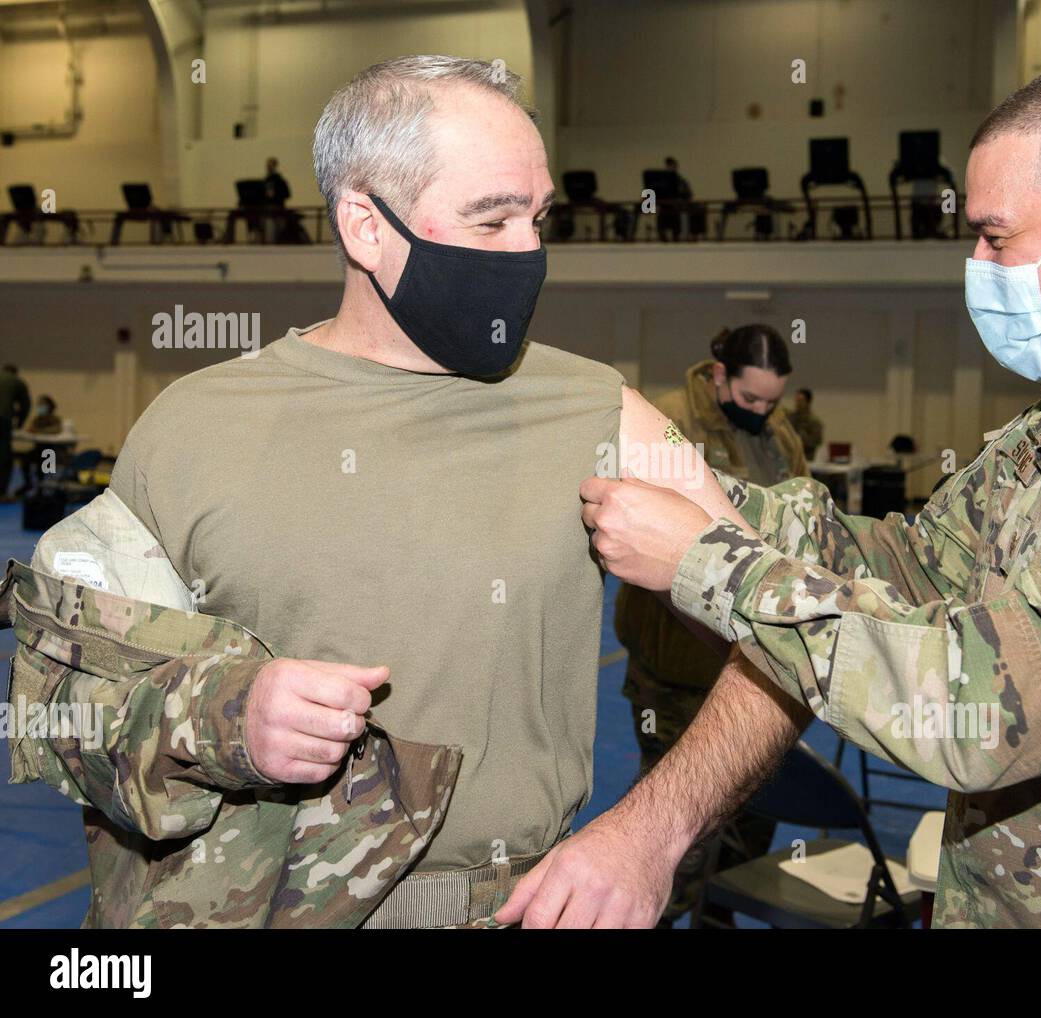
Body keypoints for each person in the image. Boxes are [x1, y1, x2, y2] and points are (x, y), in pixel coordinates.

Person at [11, 55, 806, 929]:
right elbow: (65, 713)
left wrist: (654, 832)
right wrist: (228, 715)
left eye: (538, 218)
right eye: (491, 221)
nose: (528, 254)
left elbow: (795, 636)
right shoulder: (192, 426)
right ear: (366, 225)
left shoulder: (595, 413)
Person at [581, 51, 1041, 928]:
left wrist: (709, 566)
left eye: (998, 236)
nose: (978, 264)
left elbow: (984, 708)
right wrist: (689, 478)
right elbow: (912, 563)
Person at [613, 324, 807, 924]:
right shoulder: (666, 425)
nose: (762, 412)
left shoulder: (778, 437)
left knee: (750, 833)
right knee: (675, 845)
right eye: (751, 400)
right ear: (719, 375)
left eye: (772, 402)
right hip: (677, 669)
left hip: (758, 673)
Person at [0, 364, 31, 500]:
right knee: (4, 457)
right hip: (3, 420)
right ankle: (1, 492)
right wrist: (19, 423)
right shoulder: (17, 382)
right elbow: (25, 405)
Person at [787, 387, 824, 460]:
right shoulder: (790, 418)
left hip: (806, 458)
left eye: (801, 401)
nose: (798, 404)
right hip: (790, 458)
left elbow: (817, 441)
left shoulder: (813, 421)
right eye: (797, 400)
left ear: (808, 402)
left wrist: (801, 436)